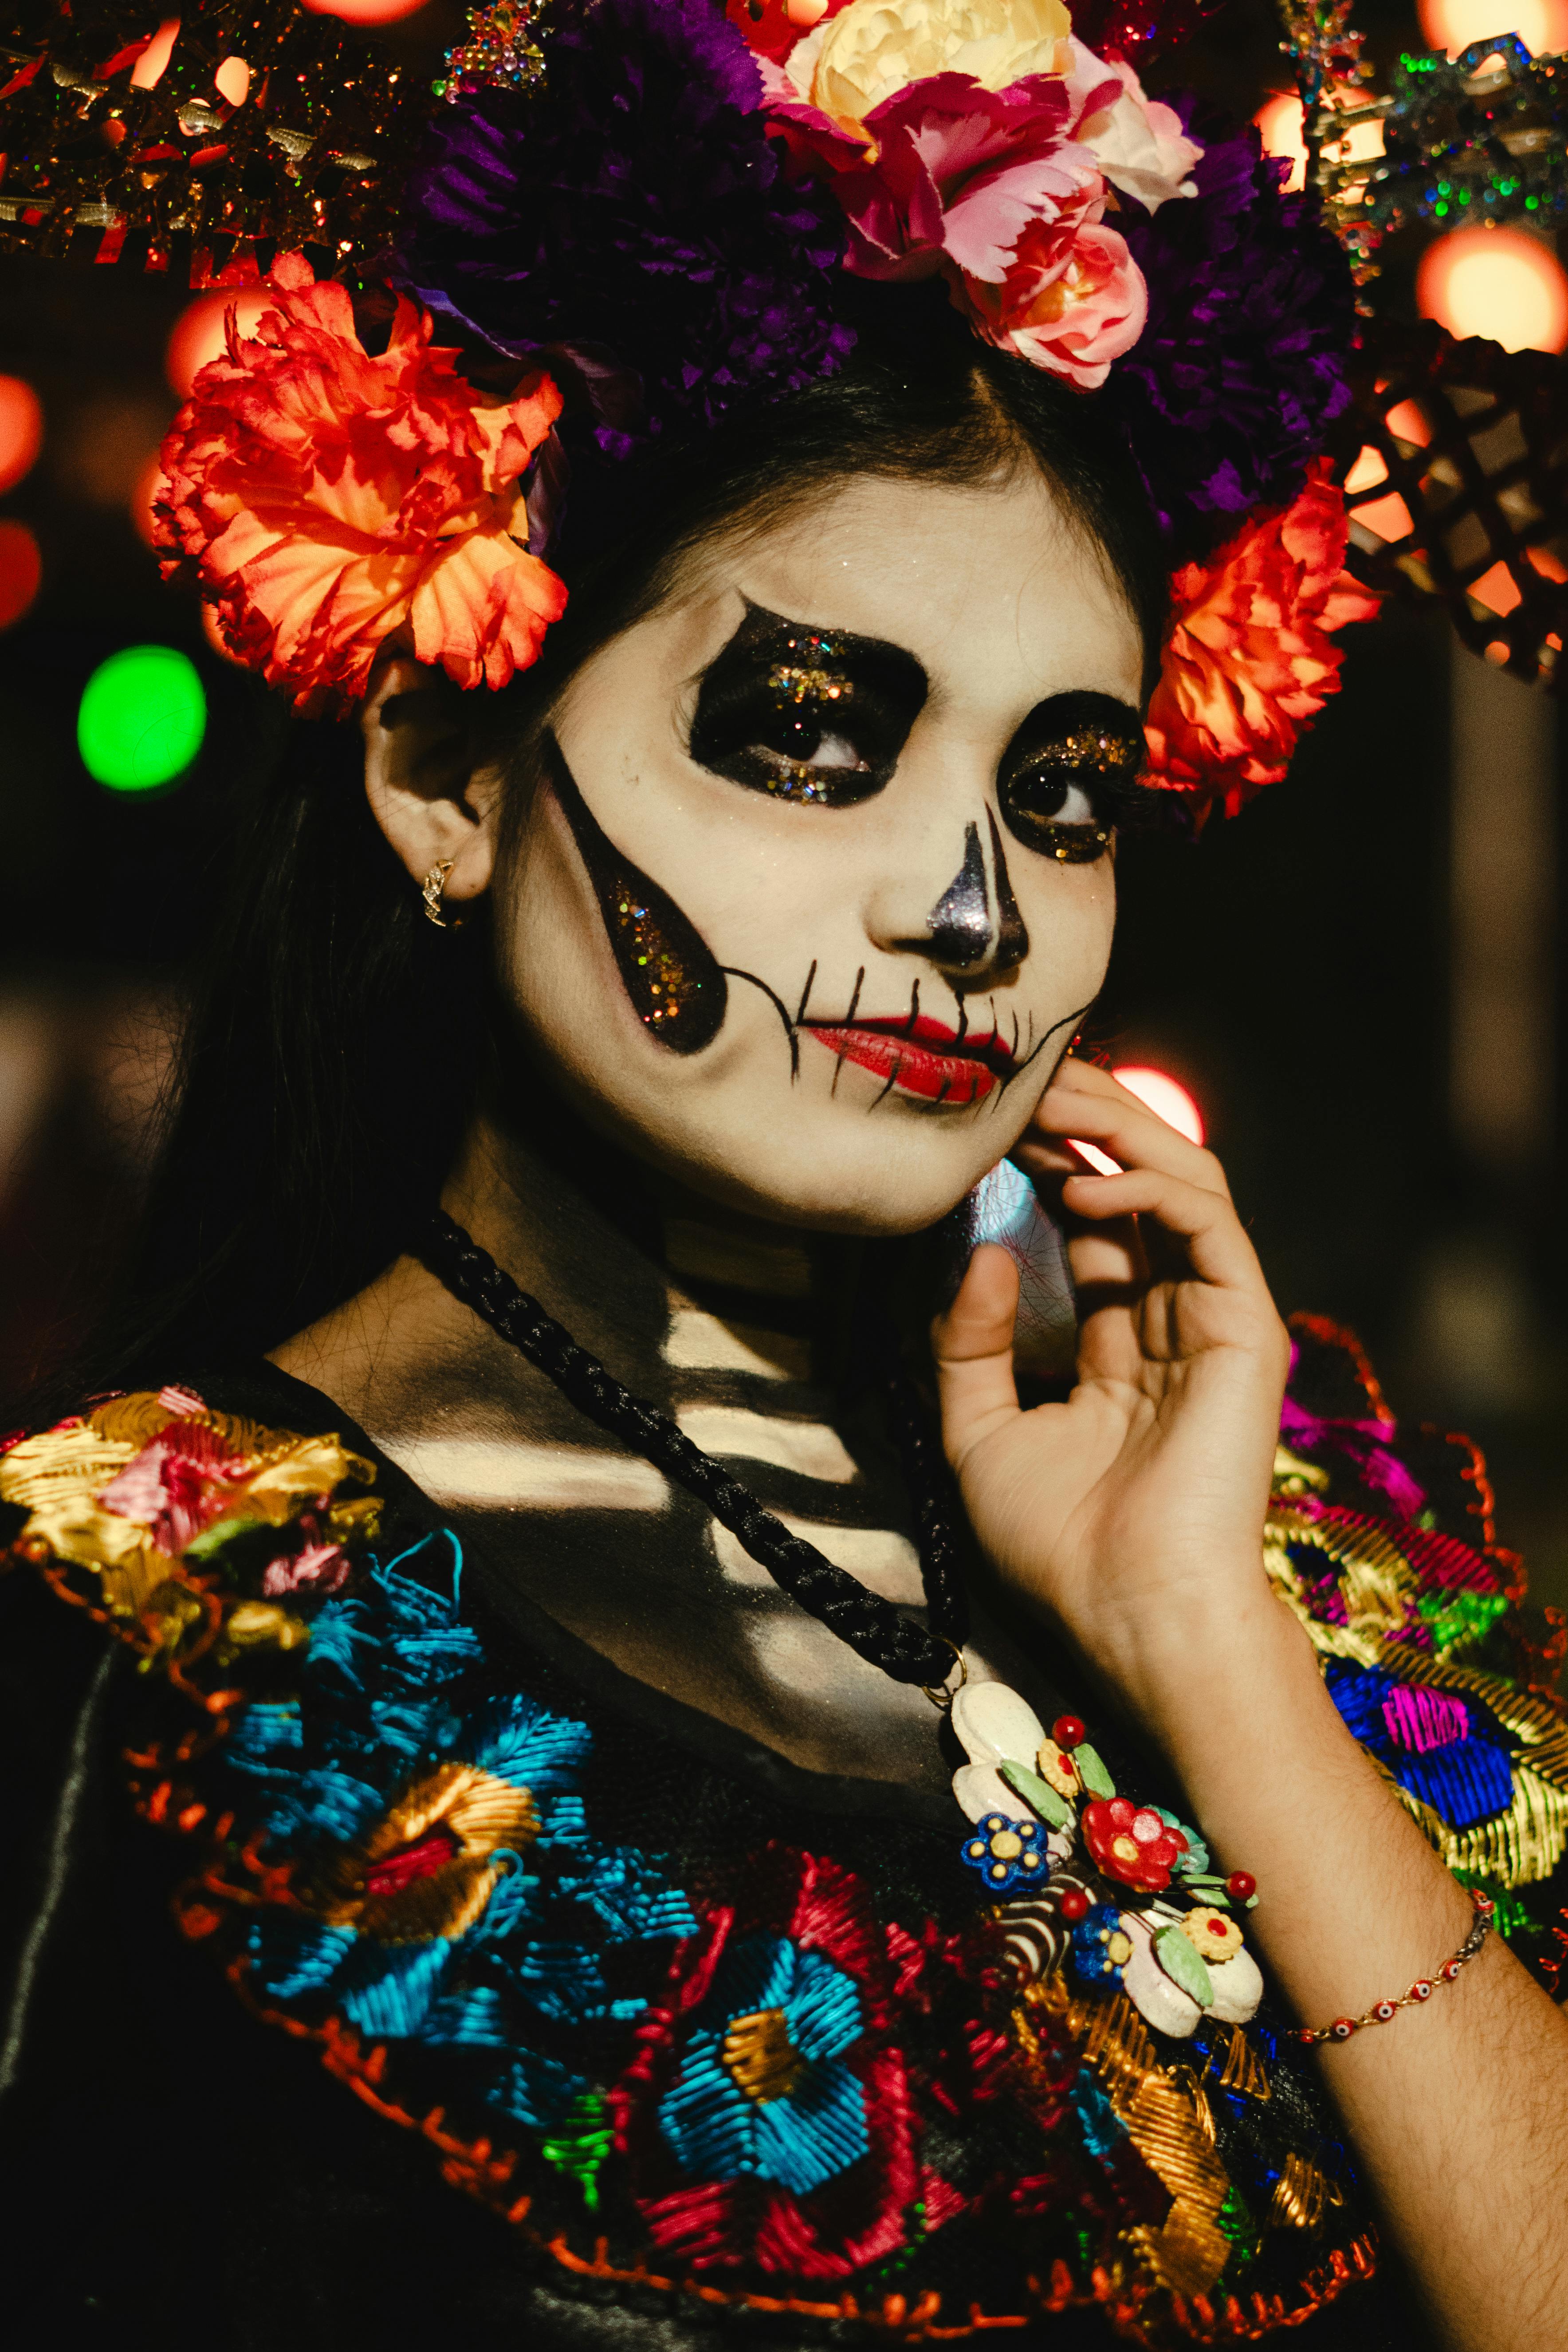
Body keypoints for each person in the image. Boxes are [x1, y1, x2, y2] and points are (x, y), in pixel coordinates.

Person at [3, 4, 1567, 2346]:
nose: (976, 909)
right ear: (445, 774)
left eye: (1066, 790)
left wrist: (1203, 1634)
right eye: (818, 732)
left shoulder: (1233, 1513)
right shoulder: (164, 1656)